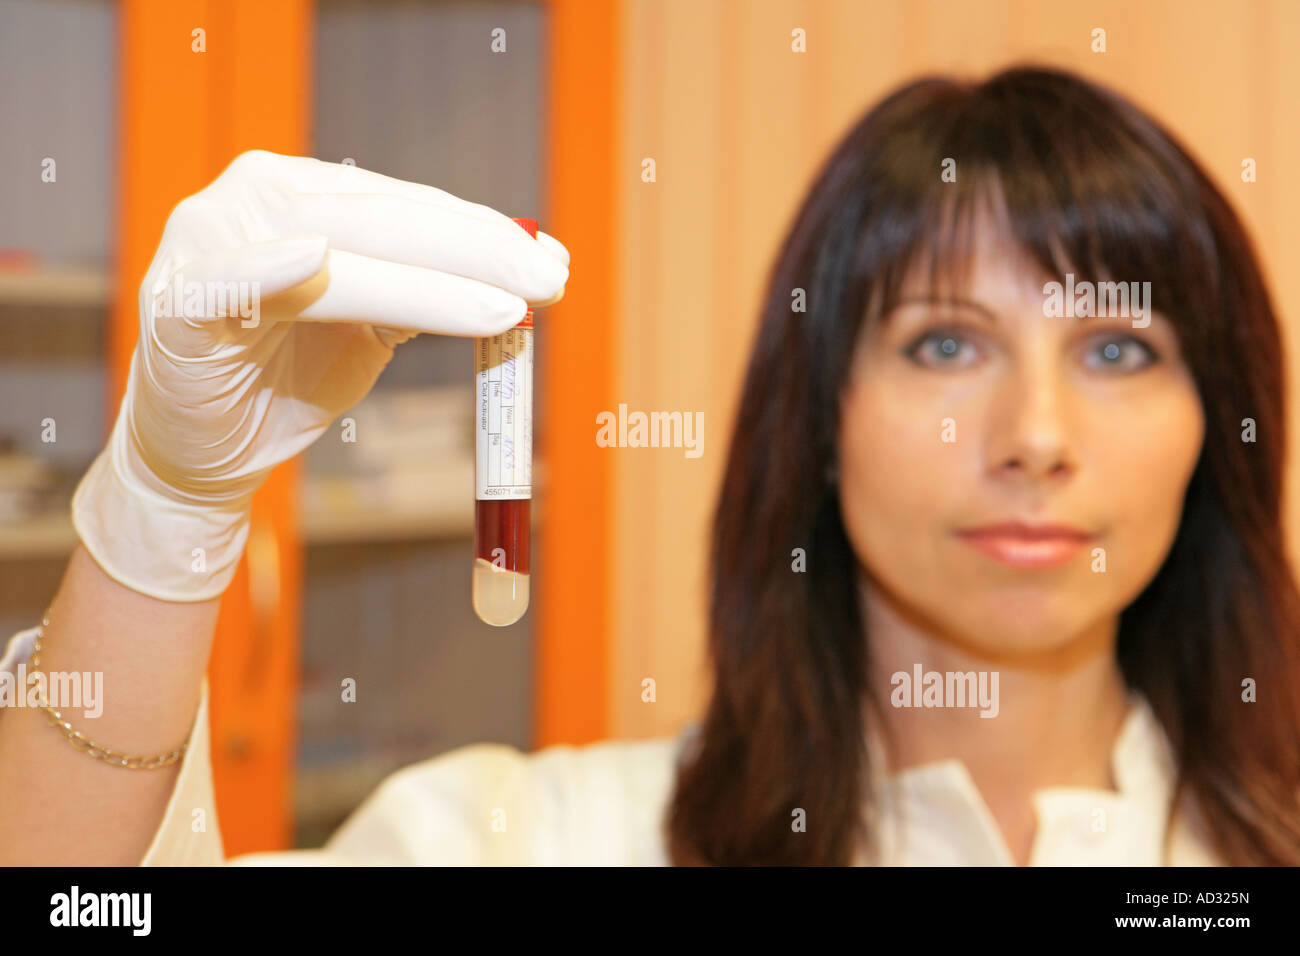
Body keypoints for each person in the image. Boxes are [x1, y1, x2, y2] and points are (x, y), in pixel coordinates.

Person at [2, 64, 1298, 867]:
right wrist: (161, 516)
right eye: (946, 341)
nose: (1037, 435)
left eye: (1119, 350)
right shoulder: (536, 845)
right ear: (820, 414)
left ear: (1218, 417)